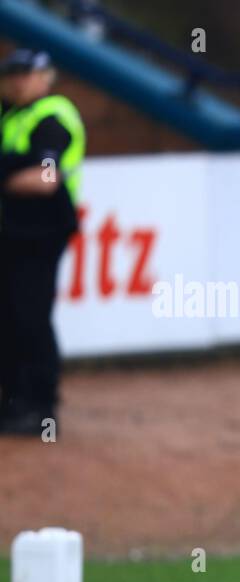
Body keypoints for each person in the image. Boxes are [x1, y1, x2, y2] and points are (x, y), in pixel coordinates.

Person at [0, 49, 84, 436]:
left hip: (39, 235)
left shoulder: (53, 117)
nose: (17, 81)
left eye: (25, 74)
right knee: (9, 319)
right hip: (12, 233)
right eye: (11, 74)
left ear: (45, 76)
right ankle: (15, 404)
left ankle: (42, 411)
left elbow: (46, 179)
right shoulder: (11, 114)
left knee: (30, 317)